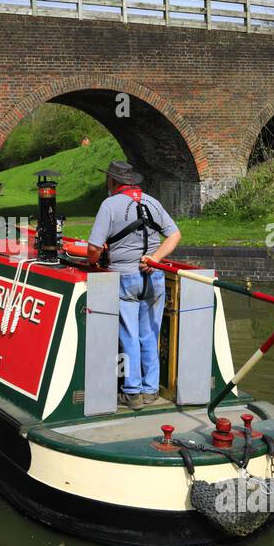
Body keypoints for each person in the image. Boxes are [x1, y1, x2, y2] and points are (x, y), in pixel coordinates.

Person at [85, 161, 182, 410]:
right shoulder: (152, 202)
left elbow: (94, 248)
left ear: (112, 181)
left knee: (128, 335)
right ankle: (151, 390)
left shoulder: (109, 205)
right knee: (150, 333)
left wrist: (92, 262)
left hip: (125, 277)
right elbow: (174, 235)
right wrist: (155, 259)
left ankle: (132, 393)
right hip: (154, 276)